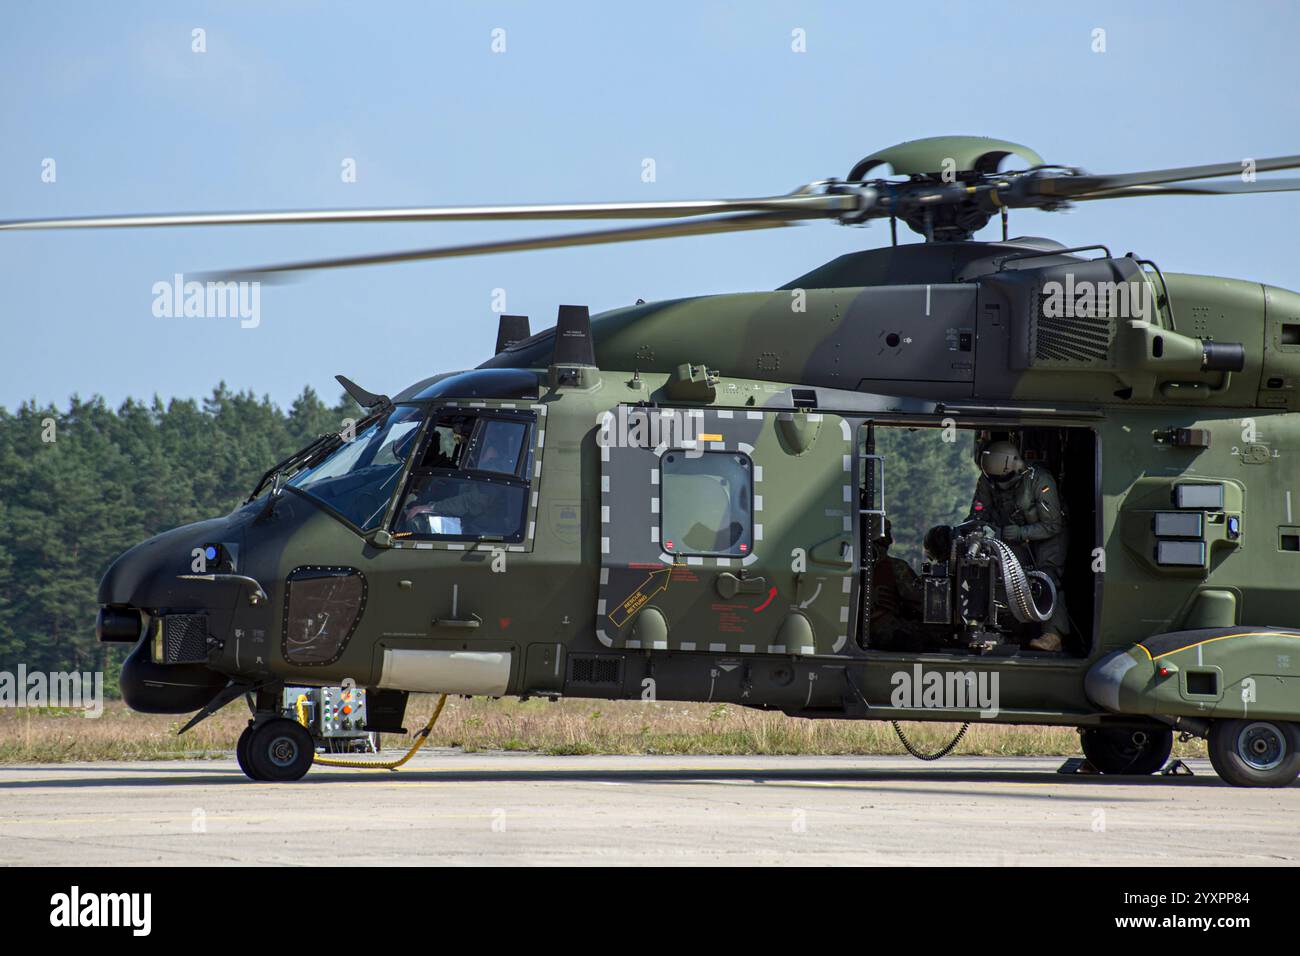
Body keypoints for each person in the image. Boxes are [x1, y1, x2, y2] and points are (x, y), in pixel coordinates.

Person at [968, 440, 1069, 652]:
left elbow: (1053, 525)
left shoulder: (1040, 481)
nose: (1000, 484)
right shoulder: (988, 481)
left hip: (1047, 537)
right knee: (1003, 576)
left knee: (1047, 578)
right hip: (1012, 538)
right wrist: (977, 529)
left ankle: (1053, 634)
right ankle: (1003, 631)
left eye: (1004, 479)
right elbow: (979, 511)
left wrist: (1022, 532)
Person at [869, 519, 924, 650]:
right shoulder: (897, 567)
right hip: (885, 631)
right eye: (887, 533)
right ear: (881, 537)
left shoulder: (851, 564)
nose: (890, 539)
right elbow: (920, 599)